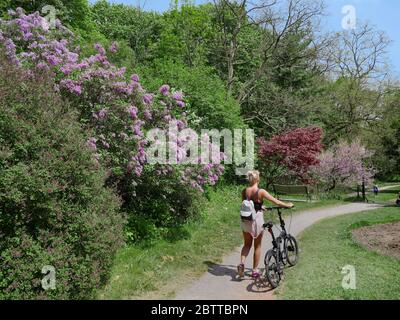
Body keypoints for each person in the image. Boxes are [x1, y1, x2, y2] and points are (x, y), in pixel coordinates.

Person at [237, 170, 294, 279]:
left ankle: (242, 263)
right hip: (256, 220)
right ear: (257, 179)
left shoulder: (244, 191)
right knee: (257, 246)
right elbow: (276, 202)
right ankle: (254, 271)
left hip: (246, 220)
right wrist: (287, 205)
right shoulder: (260, 191)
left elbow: (248, 205)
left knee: (247, 244)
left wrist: (259, 206)